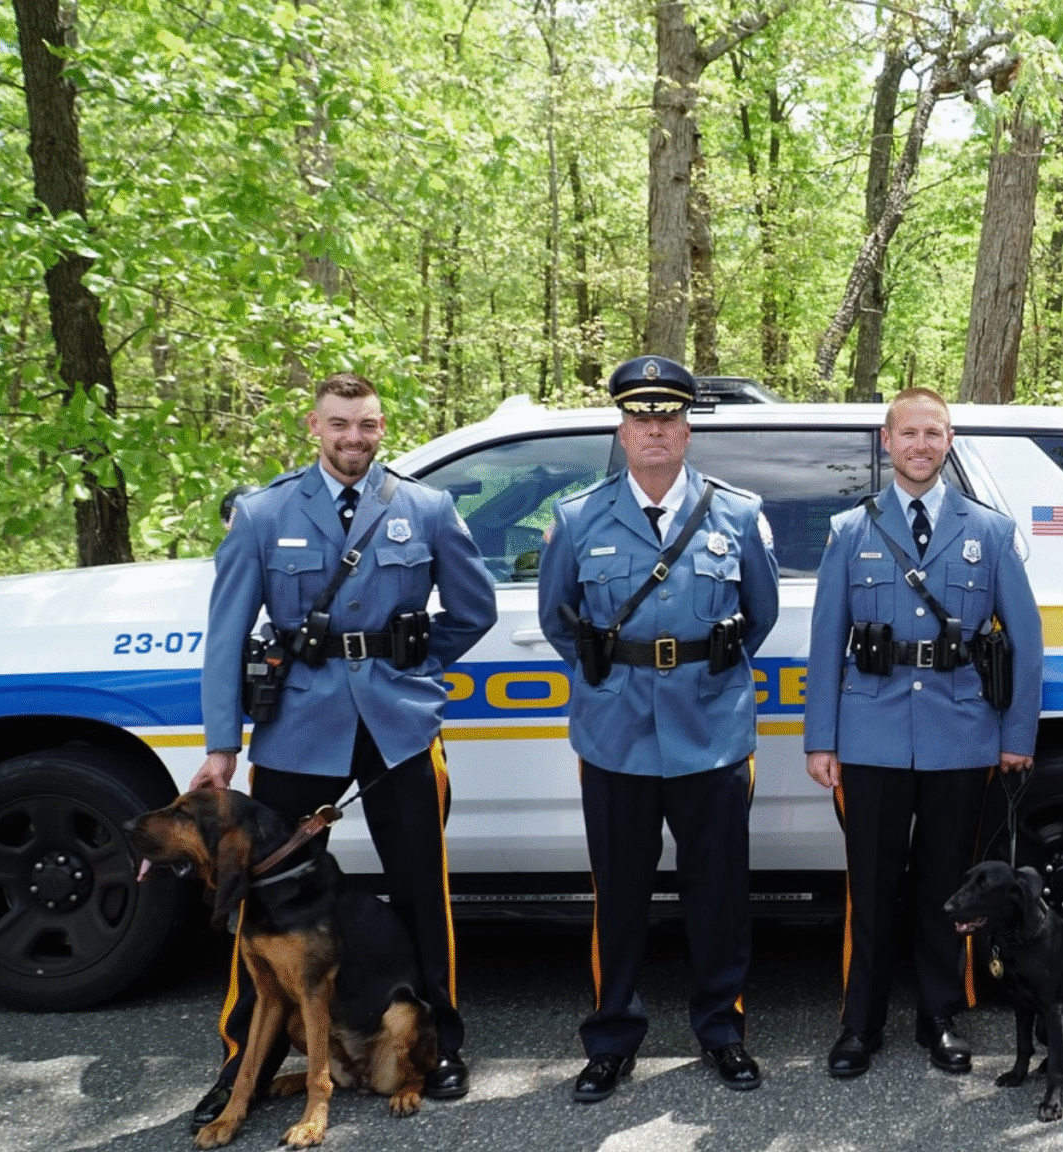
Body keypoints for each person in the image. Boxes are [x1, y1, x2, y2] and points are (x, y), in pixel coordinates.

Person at [190, 372, 496, 1126]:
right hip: (298, 728)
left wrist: (413, 665)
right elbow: (225, 636)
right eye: (339, 424)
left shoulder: (425, 508)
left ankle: (438, 1044)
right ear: (314, 427)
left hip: (399, 727)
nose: (353, 438)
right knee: (261, 898)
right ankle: (245, 1061)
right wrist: (222, 747)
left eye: (366, 424)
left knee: (422, 891)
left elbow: (474, 608)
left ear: (381, 427)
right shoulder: (264, 513)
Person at [537, 355, 781, 1101]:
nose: (654, 430)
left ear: (686, 431)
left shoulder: (737, 514)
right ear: (622, 430)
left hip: (711, 727)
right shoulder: (578, 518)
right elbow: (558, 621)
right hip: (616, 734)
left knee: (719, 894)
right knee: (619, 895)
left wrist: (701, 669)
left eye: (668, 417)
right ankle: (611, 1039)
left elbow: (760, 614)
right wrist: (615, 673)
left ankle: (722, 1031)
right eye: (640, 417)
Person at [802, 386, 1044, 1079]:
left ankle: (940, 1017)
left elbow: (1026, 641)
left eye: (933, 433)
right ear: (888, 441)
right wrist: (822, 739)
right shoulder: (852, 530)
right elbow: (826, 641)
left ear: (949, 441)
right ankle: (861, 1024)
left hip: (960, 732)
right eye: (908, 433)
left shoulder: (989, 532)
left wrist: (1017, 736)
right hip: (871, 732)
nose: (920, 445)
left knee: (950, 887)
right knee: (871, 890)